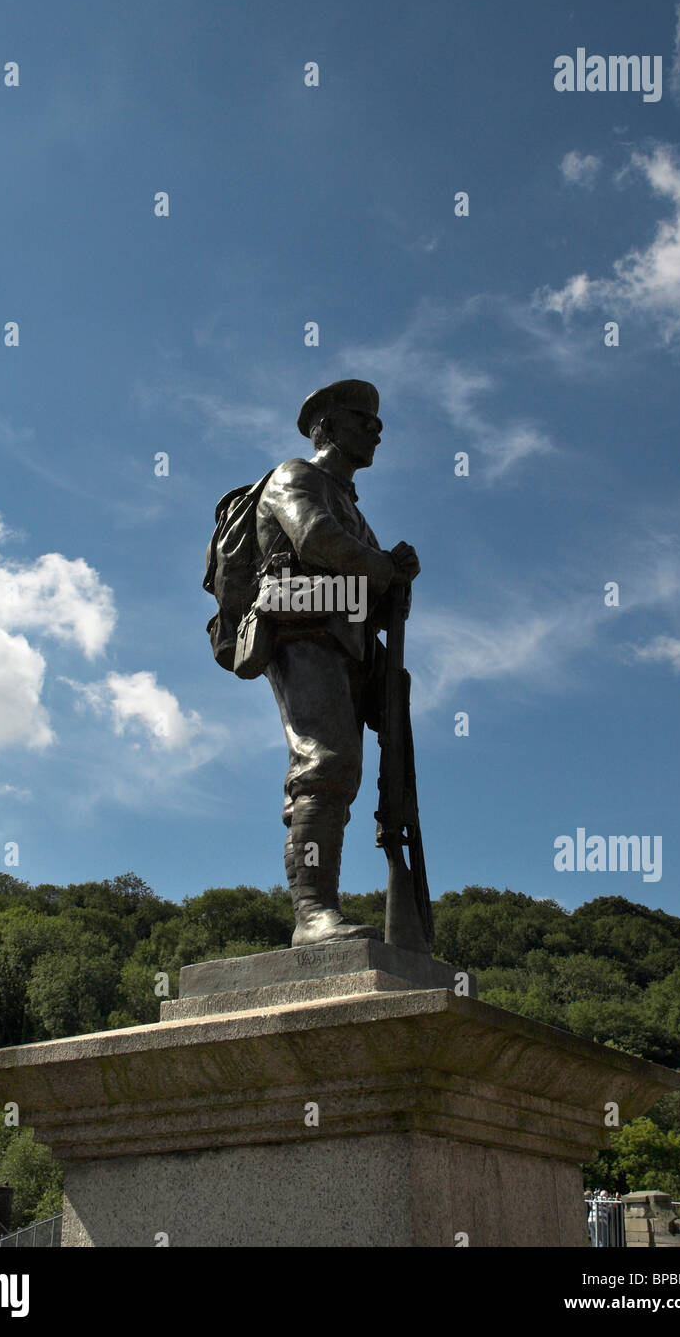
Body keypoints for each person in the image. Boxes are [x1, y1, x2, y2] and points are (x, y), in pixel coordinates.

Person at [256, 380, 420, 946]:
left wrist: (397, 578)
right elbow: (316, 539)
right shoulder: (295, 476)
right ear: (324, 426)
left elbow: (370, 596)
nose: (375, 429)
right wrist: (383, 567)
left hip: (348, 643)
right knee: (325, 762)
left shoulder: (354, 508)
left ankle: (321, 907)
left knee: (343, 769)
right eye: (360, 418)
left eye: (377, 422)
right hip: (303, 628)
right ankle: (311, 914)